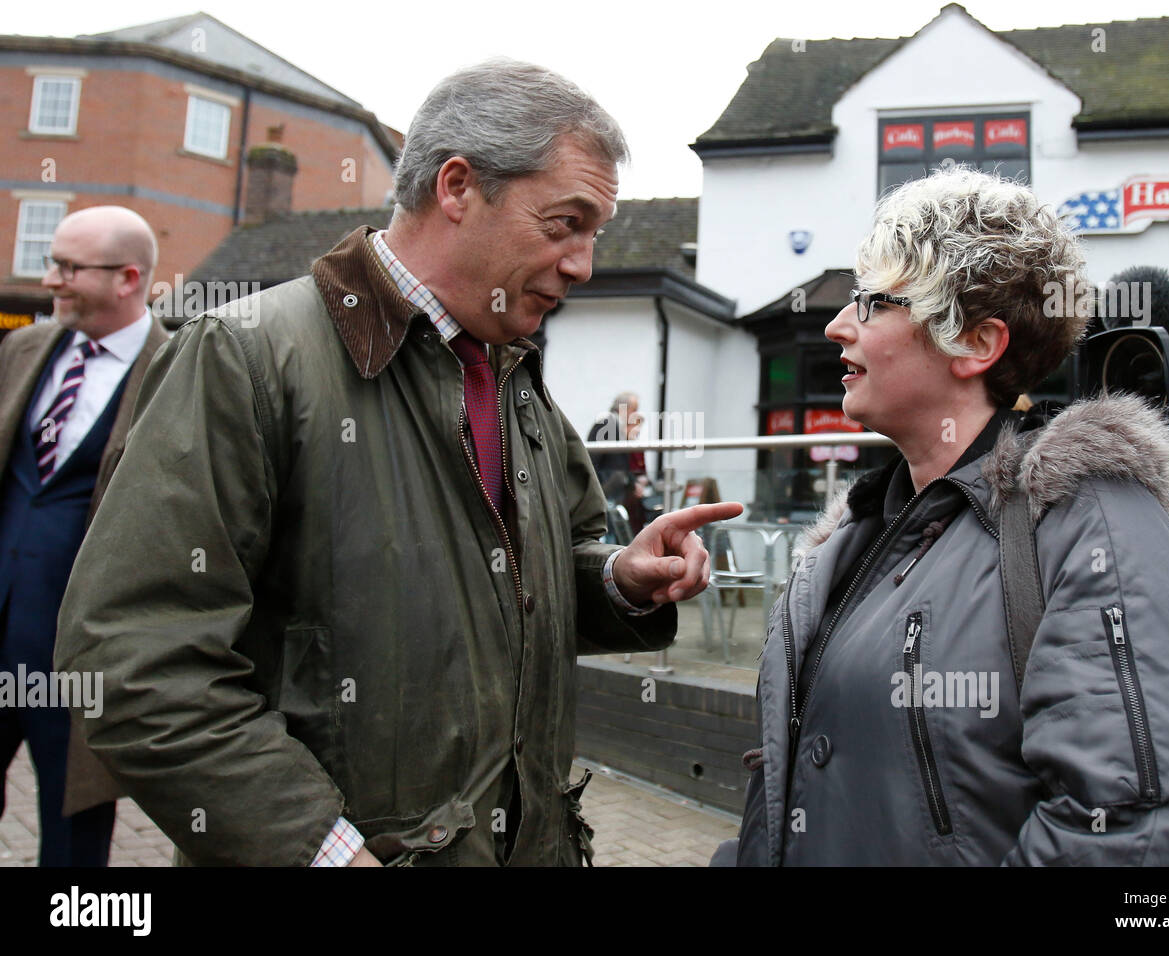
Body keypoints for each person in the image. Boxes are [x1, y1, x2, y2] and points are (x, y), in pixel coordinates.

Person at [54, 61, 740, 867]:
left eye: (596, 235)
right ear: (457, 187)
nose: (584, 264)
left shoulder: (515, 377)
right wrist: (325, 851)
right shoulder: (245, 359)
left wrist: (621, 579)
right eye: (565, 224)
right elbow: (136, 660)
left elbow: (537, 578)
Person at [716, 167, 1169, 866]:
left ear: (975, 343)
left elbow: (1147, 833)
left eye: (873, 303)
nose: (838, 325)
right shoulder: (859, 536)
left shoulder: (1091, 522)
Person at [0, 205, 168, 866]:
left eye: (69, 267)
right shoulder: (22, 348)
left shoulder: (180, 368)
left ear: (127, 278)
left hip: (83, 663)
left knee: (74, 840)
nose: (51, 280)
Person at [587, 392, 650, 534]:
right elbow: (593, 460)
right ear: (624, 408)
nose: (635, 415)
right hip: (606, 493)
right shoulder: (608, 423)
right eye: (634, 410)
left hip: (611, 493)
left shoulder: (615, 425)